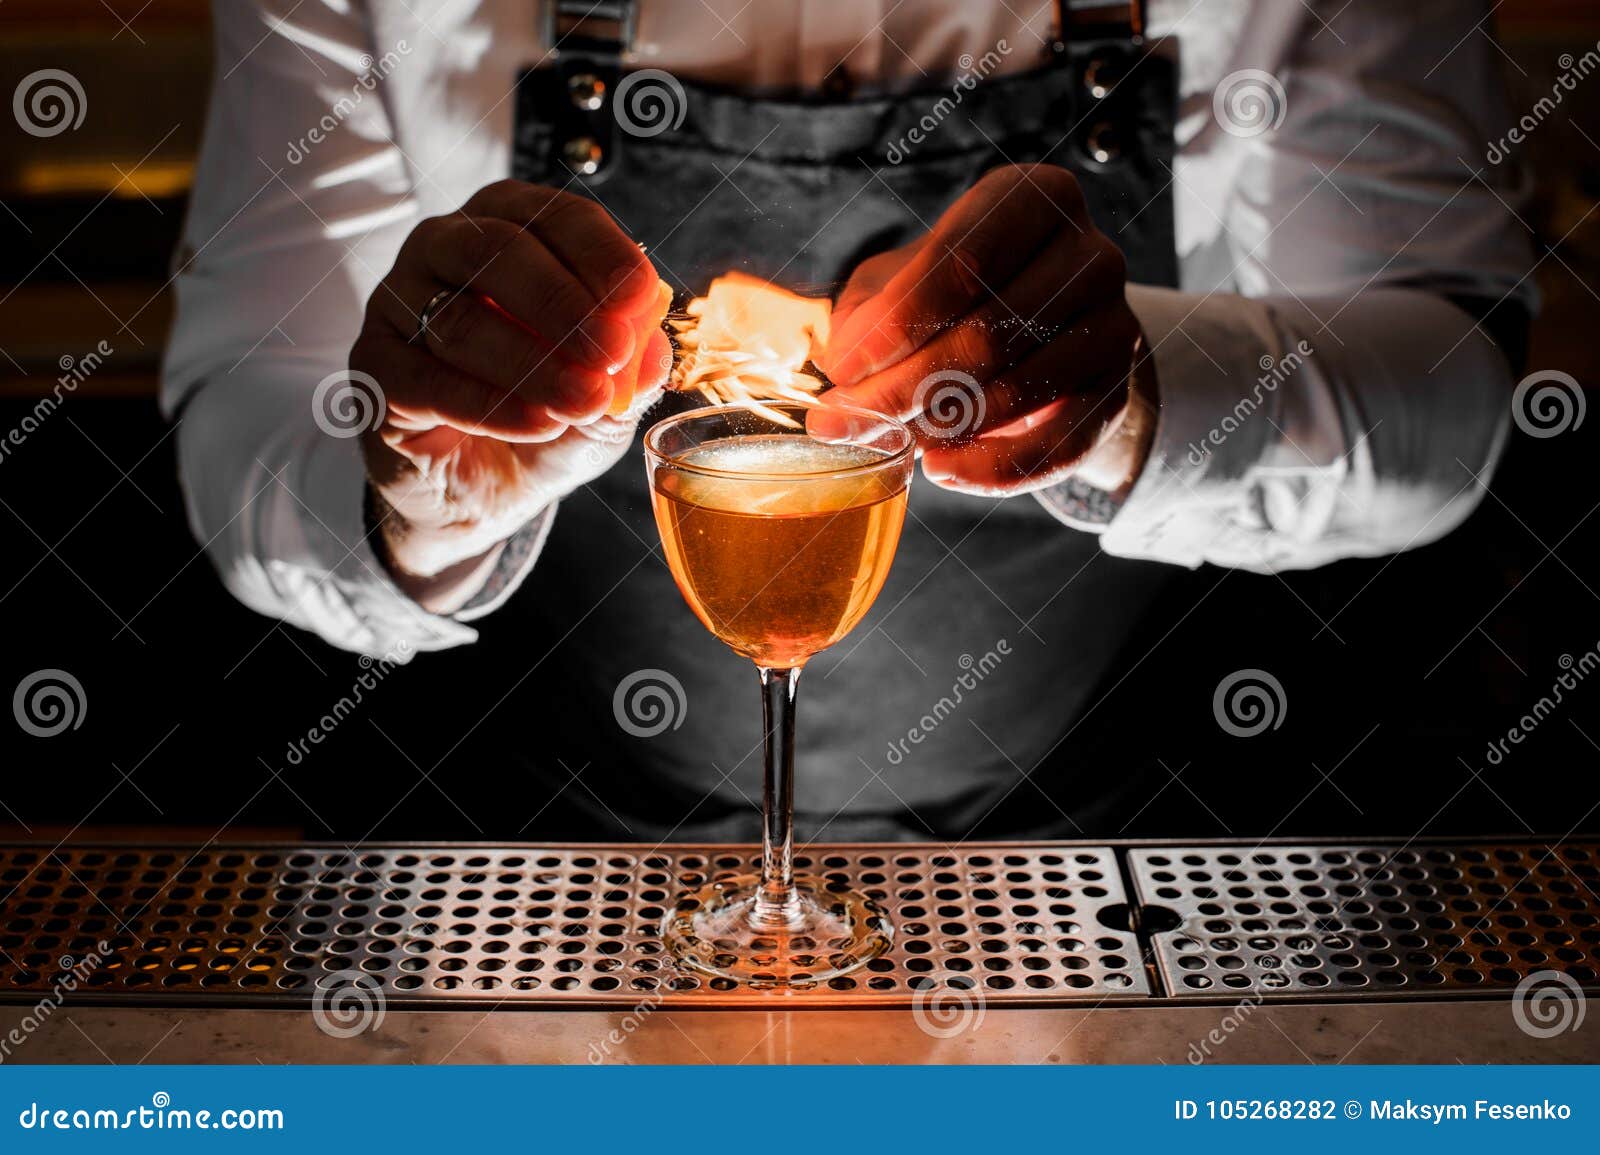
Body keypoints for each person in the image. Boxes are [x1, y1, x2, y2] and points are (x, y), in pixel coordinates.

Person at [162, 0, 1533, 840]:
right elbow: (250, 411)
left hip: (1121, 851)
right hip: (530, 853)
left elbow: (1449, 390)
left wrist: (1134, 399)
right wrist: (418, 488)